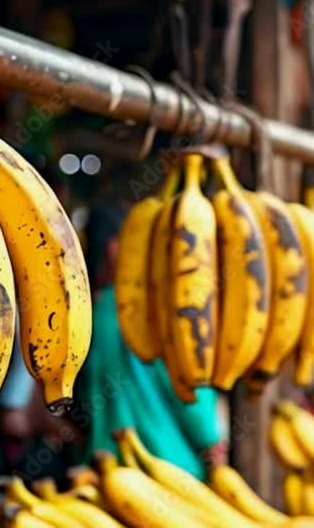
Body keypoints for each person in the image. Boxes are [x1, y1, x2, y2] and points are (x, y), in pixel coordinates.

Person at [73, 204, 225, 478]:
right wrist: (211, 437)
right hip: (168, 469)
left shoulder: (86, 316)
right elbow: (188, 381)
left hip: (105, 470)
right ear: (114, 249)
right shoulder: (146, 310)